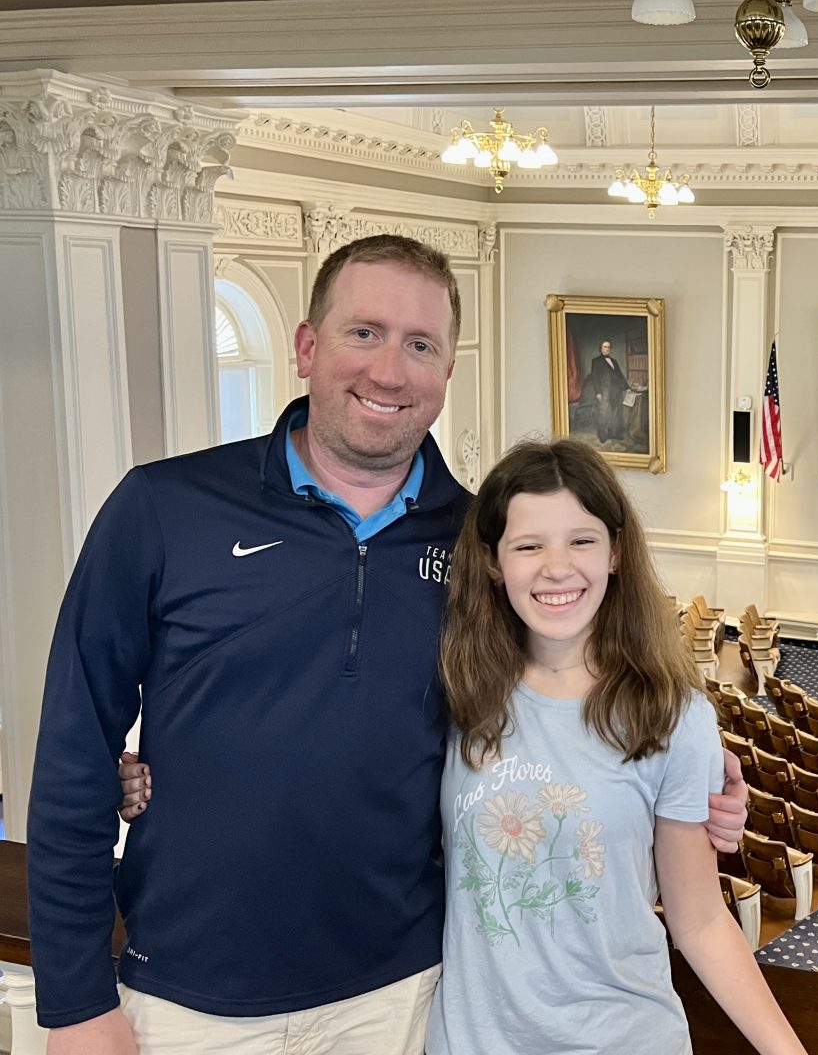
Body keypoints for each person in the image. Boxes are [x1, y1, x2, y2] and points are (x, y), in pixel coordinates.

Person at [28, 233, 745, 1055]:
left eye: (420, 345)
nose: (389, 370)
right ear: (306, 347)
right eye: (363, 333)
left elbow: (574, 686)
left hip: (404, 999)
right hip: (187, 996)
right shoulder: (162, 508)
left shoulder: (486, 544)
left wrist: (700, 758)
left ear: (446, 373)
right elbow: (74, 749)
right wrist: (76, 1002)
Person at [425, 437, 806, 1054]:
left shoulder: (672, 715)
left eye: (582, 540)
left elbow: (701, 918)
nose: (557, 566)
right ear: (494, 562)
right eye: (528, 545)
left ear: (616, 552)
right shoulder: (456, 694)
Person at [586, 340, 631, 444]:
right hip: (604, 391)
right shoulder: (596, 361)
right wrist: (597, 392)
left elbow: (620, 375)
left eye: (608, 347)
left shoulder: (614, 361)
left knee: (616, 413)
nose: (607, 349)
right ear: (601, 349)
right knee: (604, 413)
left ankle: (615, 433)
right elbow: (595, 378)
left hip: (616, 391)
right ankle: (603, 435)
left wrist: (627, 387)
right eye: (605, 347)